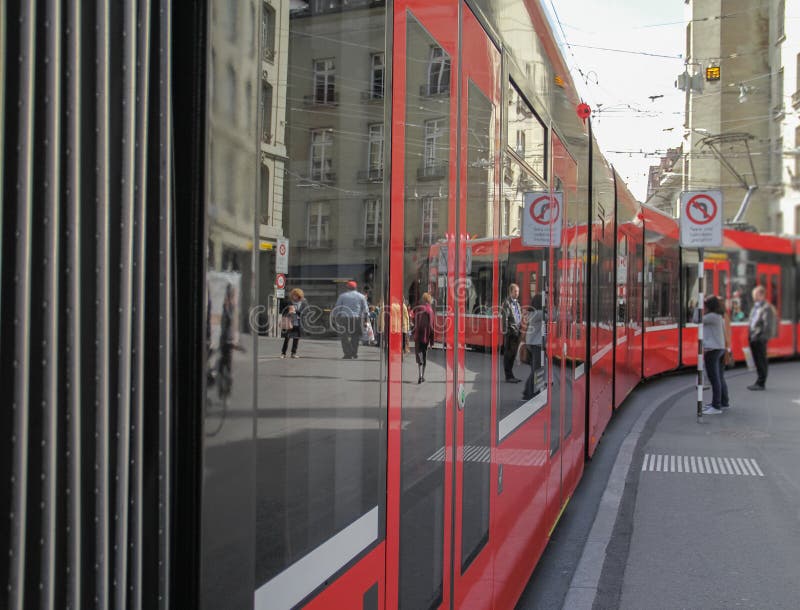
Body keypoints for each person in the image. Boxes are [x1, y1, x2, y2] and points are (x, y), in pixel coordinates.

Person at [701, 295, 730, 415]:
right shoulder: (720, 316)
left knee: (714, 379)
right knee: (720, 377)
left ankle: (716, 406)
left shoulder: (711, 316)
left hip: (712, 350)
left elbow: (696, 319)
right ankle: (723, 402)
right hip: (720, 349)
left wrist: (698, 306)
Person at [747, 285, 775, 390]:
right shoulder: (755, 307)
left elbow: (768, 325)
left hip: (759, 338)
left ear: (762, 295)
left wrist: (762, 337)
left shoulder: (766, 308)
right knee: (757, 360)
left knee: (761, 360)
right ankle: (758, 381)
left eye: (755, 294)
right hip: (753, 337)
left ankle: (761, 383)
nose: (753, 296)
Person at [334, 280, 369, 359]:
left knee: (344, 336)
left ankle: (347, 353)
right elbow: (365, 309)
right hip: (356, 319)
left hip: (345, 318)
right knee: (355, 336)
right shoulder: (361, 296)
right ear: (356, 288)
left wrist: (336, 317)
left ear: (347, 287)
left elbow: (337, 308)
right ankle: (354, 352)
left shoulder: (342, 296)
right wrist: (365, 320)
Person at [522, 294, 544, 401]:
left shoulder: (532, 313)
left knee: (534, 370)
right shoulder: (539, 314)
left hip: (531, 344)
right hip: (536, 345)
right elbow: (553, 316)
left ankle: (528, 392)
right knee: (536, 370)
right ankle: (529, 393)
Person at [501, 283, 523, 383]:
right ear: (511, 292)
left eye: (518, 291)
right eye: (515, 291)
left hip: (516, 332)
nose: (517, 293)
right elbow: (504, 318)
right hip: (510, 333)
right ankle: (508, 376)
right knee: (508, 355)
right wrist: (506, 332)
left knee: (513, 355)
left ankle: (511, 375)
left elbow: (518, 317)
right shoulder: (507, 303)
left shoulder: (517, 303)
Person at [414, 293, 434, 383]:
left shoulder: (419, 309)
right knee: (425, 355)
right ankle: (423, 376)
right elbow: (431, 326)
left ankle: (420, 375)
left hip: (418, 335)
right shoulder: (430, 310)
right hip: (426, 336)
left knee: (419, 355)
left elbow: (415, 321)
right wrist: (432, 341)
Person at [280, 288, 306, 358]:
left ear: (299, 296)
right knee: (287, 338)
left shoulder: (303, 303)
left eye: (296, 295)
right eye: (294, 295)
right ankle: (283, 353)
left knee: (296, 338)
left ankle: (293, 353)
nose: (295, 297)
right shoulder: (289, 302)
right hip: (290, 321)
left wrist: (296, 311)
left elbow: (304, 312)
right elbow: (284, 310)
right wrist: (289, 311)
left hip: (298, 322)